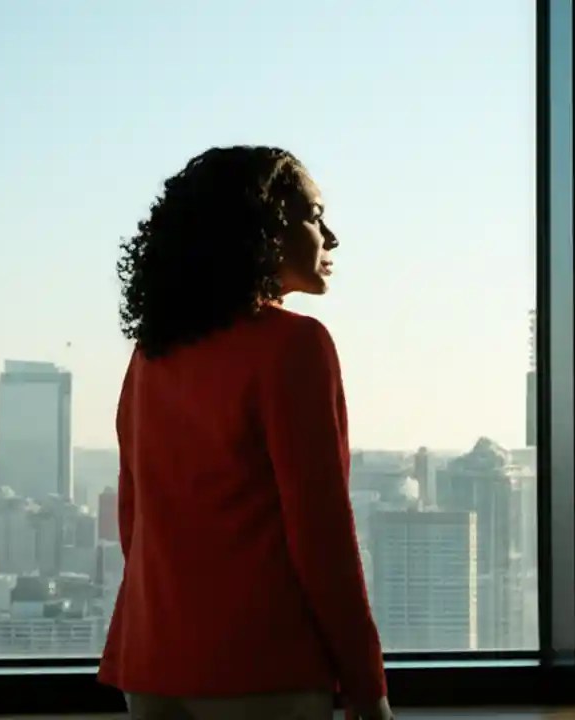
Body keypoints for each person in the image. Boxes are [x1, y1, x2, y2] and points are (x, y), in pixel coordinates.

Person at [99, 146, 394, 720]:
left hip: (152, 662)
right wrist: (367, 686)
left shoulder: (153, 354)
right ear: (262, 231)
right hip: (261, 665)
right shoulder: (295, 346)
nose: (330, 236)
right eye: (312, 215)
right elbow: (321, 534)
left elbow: (135, 520)